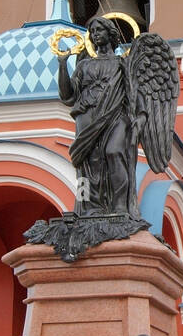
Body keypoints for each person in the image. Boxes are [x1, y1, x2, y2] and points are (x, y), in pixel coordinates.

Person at [57, 17, 140, 219]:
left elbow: (134, 94)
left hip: (115, 115)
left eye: (99, 30)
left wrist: (140, 117)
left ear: (111, 33)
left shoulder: (123, 63)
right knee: (86, 164)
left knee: (114, 152)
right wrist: (62, 66)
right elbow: (68, 96)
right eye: (92, 31)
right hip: (87, 116)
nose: (95, 34)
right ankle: (87, 207)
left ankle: (120, 205)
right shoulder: (84, 65)